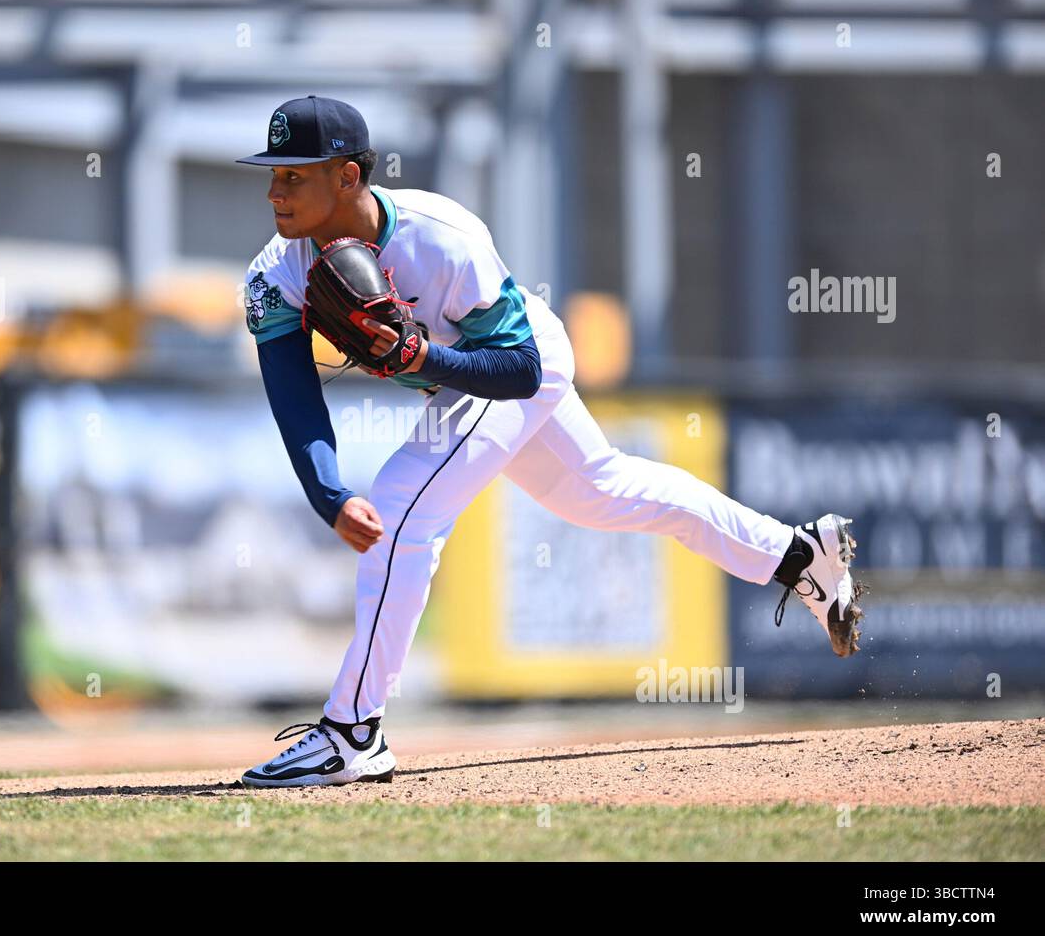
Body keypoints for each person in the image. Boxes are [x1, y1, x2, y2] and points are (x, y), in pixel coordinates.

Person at [235, 96, 864, 788]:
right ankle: (797, 553)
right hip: (458, 375)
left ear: (349, 177)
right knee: (604, 492)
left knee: (400, 514)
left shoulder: (442, 236)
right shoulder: (274, 272)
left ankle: (353, 731)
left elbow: (521, 369)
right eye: (273, 173)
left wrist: (425, 362)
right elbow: (293, 394)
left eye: (295, 174)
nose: (275, 190)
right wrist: (328, 495)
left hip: (506, 362)